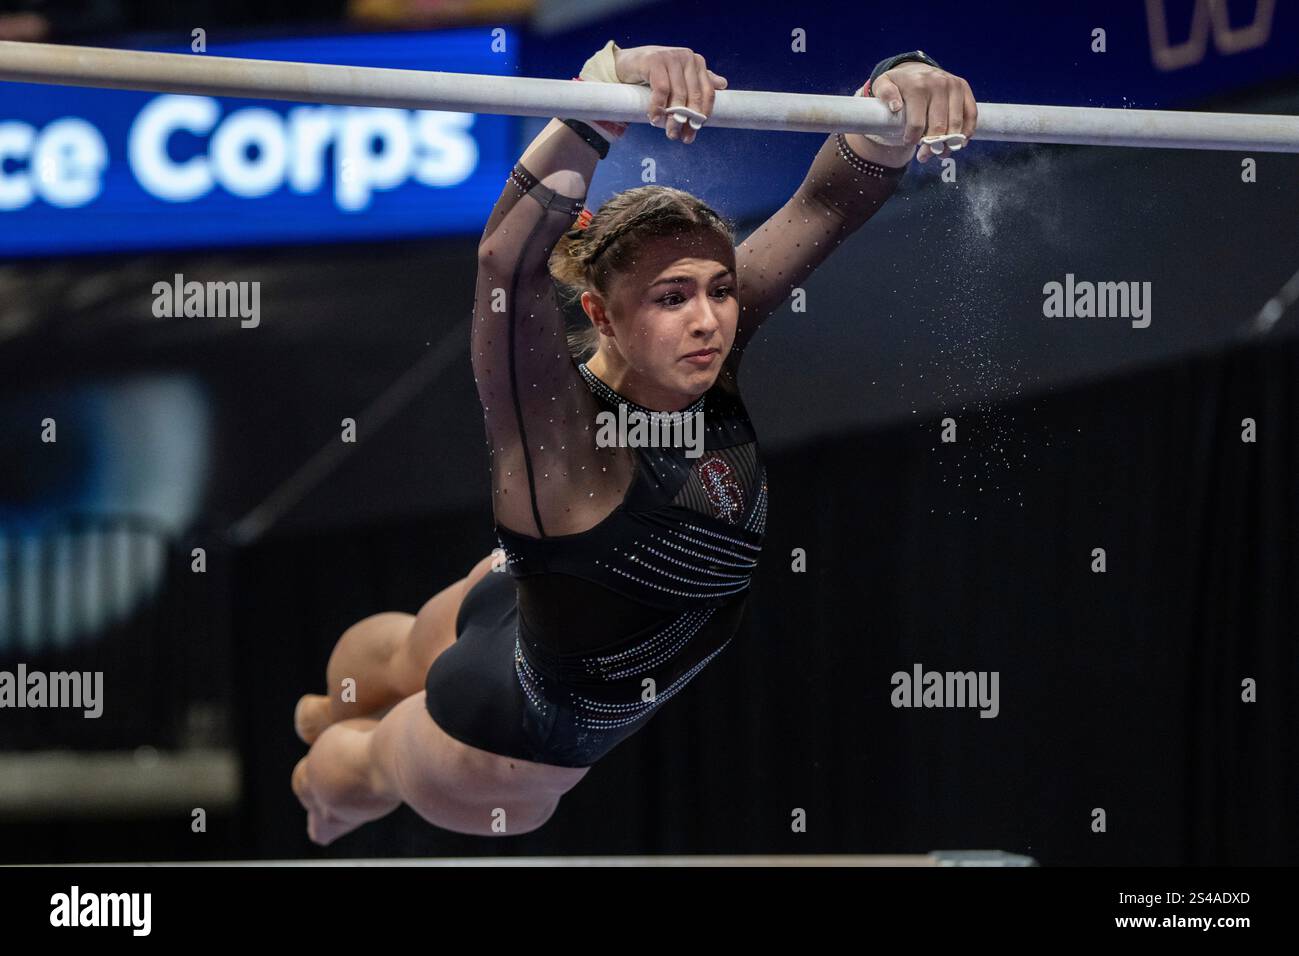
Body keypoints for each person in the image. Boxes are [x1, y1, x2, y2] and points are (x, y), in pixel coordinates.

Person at [291, 41, 978, 843]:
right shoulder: (556, 434)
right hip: (497, 747)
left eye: (722, 289)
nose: (709, 317)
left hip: (519, 616)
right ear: (603, 314)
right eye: (672, 297)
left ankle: (325, 717)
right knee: (351, 768)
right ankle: (320, 776)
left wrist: (892, 100)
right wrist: (596, 97)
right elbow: (505, 266)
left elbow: (825, 204)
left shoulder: (702, 358)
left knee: (399, 654)